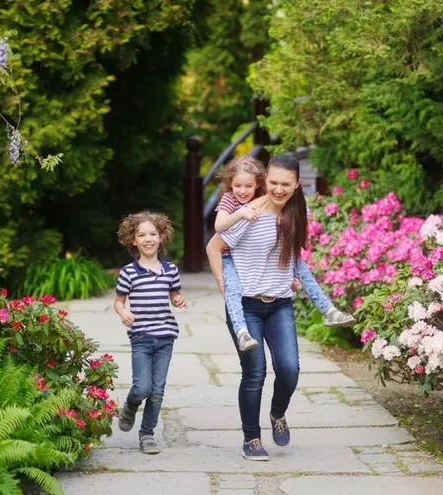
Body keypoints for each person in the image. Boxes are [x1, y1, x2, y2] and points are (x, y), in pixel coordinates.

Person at [206, 154, 309, 461]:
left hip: (279, 305)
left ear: (296, 185)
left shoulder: (296, 212)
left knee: (289, 370)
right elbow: (214, 246)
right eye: (273, 183)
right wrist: (224, 287)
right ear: (267, 182)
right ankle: (251, 438)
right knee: (255, 372)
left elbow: (291, 252)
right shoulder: (249, 211)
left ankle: (278, 413)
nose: (278, 189)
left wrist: (292, 277)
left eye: (285, 184)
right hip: (246, 306)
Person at [214, 156, 355, 353]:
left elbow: (292, 245)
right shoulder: (236, 201)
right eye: (237, 185)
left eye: (248, 186)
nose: (243, 191)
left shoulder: (273, 201)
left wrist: (291, 274)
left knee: (302, 268)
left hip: (276, 284)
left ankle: (329, 310)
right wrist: (242, 212)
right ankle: (241, 331)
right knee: (234, 291)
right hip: (231, 258)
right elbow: (217, 234)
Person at [113, 211, 187, 455]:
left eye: (153, 234)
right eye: (141, 234)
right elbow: (119, 301)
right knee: (142, 388)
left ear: (161, 237)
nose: (148, 239)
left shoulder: (170, 270)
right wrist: (123, 313)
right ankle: (131, 405)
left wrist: (178, 300)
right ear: (133, 240)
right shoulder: (129, 272)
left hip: (165, 336)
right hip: (141, 337)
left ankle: (147, 434)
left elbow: (174, 293)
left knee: (157, 391)